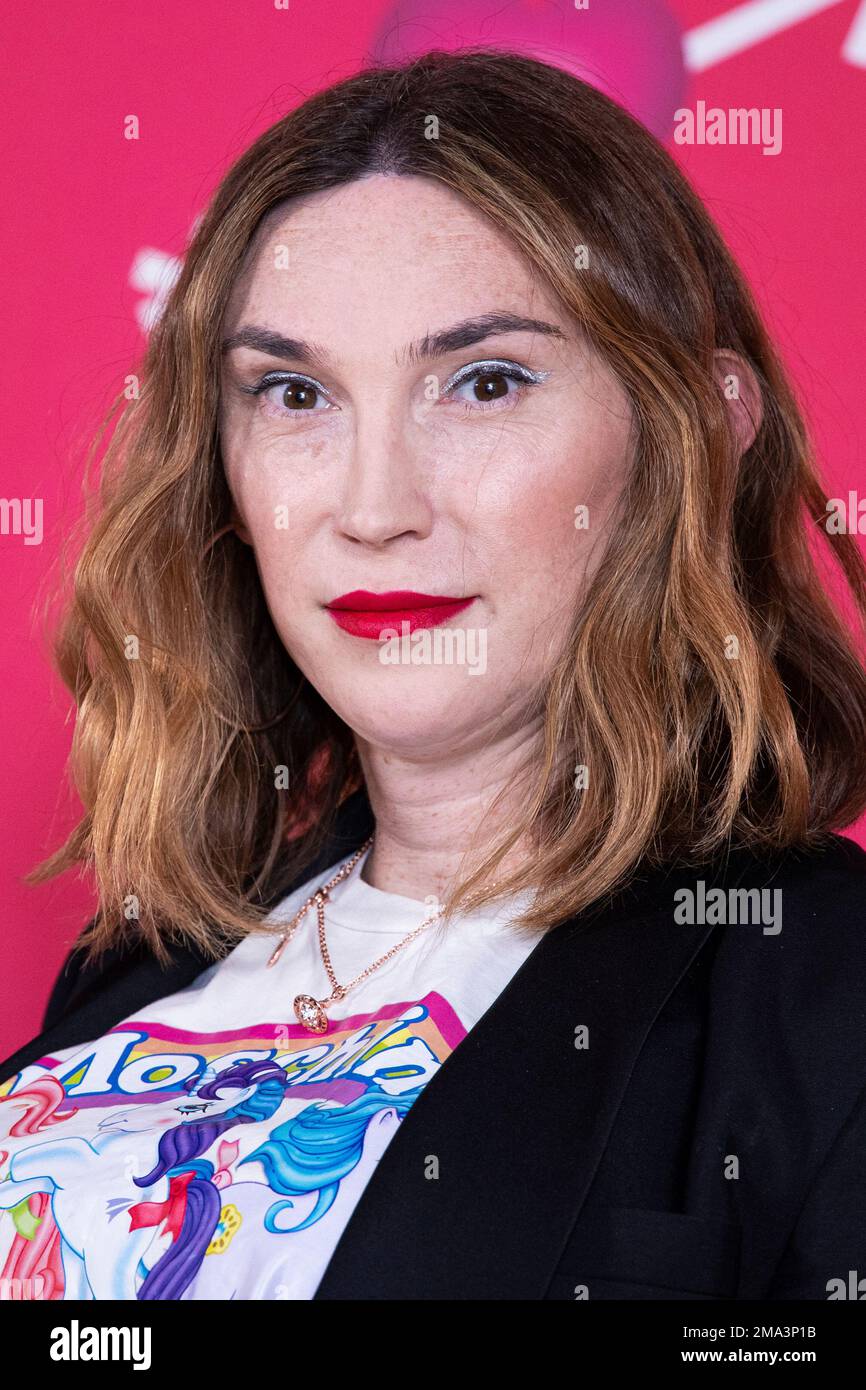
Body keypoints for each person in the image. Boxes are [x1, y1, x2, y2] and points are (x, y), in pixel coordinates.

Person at [2, 48, 866, 1302]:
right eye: (294, 393)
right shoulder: (148, 952)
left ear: (696, 427)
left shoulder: (821, 994)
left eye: (482, 381)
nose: (371, 507)